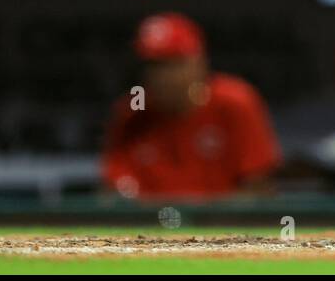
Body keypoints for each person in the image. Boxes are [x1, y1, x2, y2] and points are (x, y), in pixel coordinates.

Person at [102, 12, 281, 199]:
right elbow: (114, 193)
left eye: (172, 63)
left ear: (199, 63)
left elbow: (259, 190)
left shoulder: (235, 102)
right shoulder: (131, 111)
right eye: (153, 65)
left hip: (225, 226)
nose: (161, 76)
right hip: (151, 227)